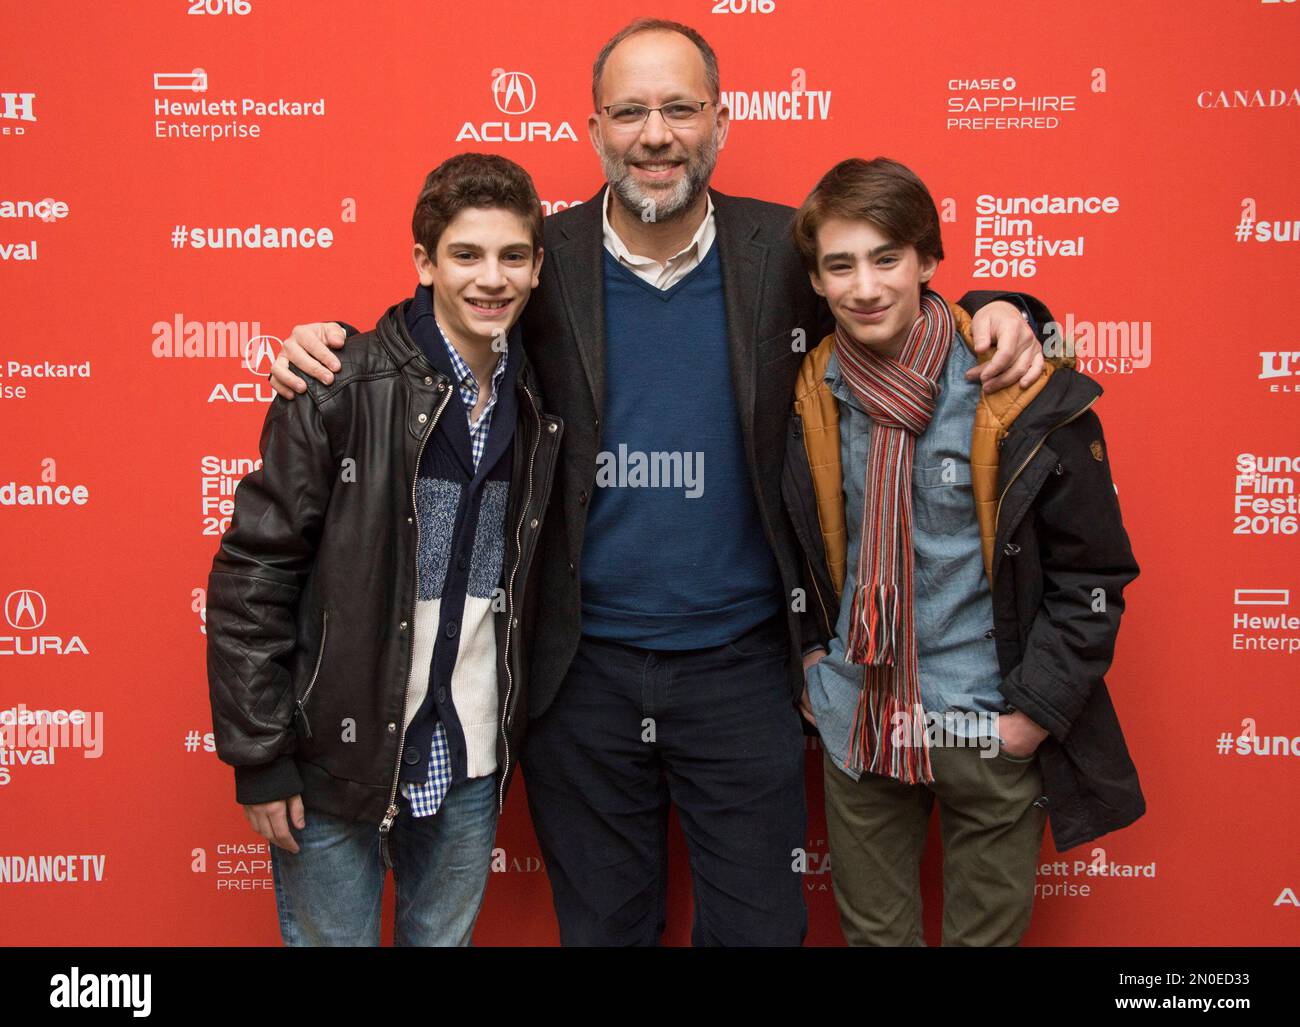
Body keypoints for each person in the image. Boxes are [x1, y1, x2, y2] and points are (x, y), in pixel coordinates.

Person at [265, 19, 1058, 947]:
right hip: (579, 675)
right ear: (593, 129)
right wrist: (330, 344)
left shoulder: (780, 251)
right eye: (631, 112)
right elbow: (433, 332)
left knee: (760, 931)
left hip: (745, 668)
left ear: (720, 121)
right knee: (605, 931)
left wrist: (1013, 307)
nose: (656, 134)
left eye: (680, 109)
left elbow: (887, 296)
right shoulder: (538, 259)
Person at [784, 156, 1144, 946]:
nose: (865, 287)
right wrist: (812, 658)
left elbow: (1093, 575)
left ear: (928, 261)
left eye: (886, 258)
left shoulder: (1021, 386)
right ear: (814, 279)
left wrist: (1031, 714)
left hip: (984, 717)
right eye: (840, 265)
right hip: (864, 720)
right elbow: (784, 542)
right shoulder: (807, 387)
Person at [205, 153, 561, 946]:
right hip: (334, 754)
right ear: (423, 262)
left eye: (512, 256)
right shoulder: (339, 385)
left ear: (538, 267)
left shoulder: (540, 400)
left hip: (466, 755)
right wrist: (259, 755)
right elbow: (251, 576)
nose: (490, 278)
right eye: (466, 255)